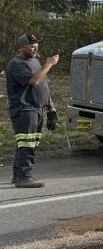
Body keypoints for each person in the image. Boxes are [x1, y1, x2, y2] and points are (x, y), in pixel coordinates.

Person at [6, 34, 59, 189]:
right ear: (21, 47)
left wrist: (51, 109)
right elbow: (34, 80)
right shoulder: (16, 64)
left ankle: (18, 175)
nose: (35, 48)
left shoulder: (35, 61)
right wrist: (48, 64)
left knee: (30, 143)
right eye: (31, 45)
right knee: (26, 143)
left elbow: (43, 85)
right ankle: (24, 176)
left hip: (37, 108)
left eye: (36, 45)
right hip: (24, 109)